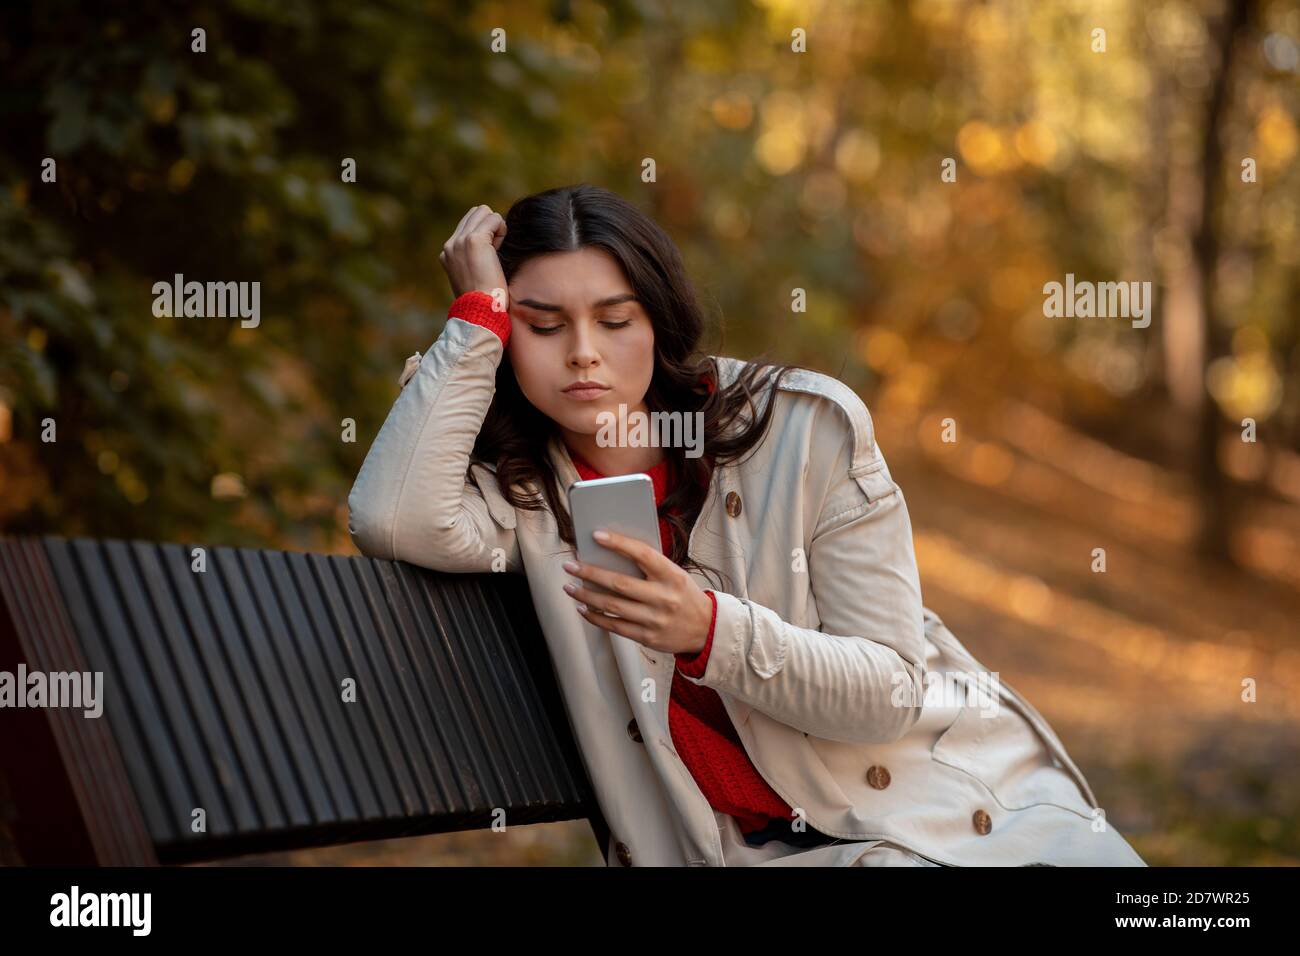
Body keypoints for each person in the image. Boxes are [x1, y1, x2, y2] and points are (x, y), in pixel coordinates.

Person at [347, 183, 1147, 867]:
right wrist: (475, 316)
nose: (582, 354)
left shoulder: (801, 432)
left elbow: (889, 692)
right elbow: (389, 518)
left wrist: (710, 632)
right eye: (543, 325)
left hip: (939, 819)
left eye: (615, 321)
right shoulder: (521, 496)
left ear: (658, 322)